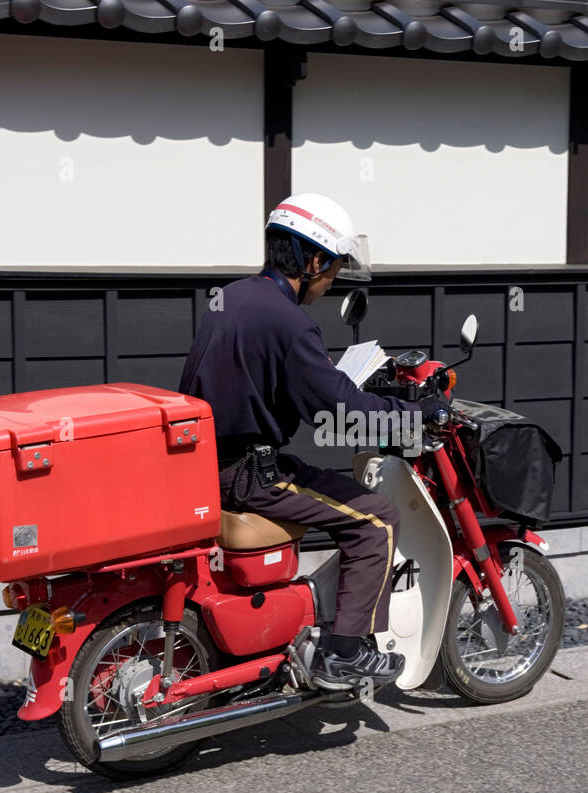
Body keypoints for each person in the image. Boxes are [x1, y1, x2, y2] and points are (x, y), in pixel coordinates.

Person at [178, 193, 436, 690]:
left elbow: (264, 383)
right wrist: (413, 417)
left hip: (209, 463)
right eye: (333, 269)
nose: (332, 280)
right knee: (377, 520)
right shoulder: (290, 320)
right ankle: (344, 654)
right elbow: (335, 413)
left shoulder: (232, 296)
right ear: (313, 259)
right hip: (252, 477)